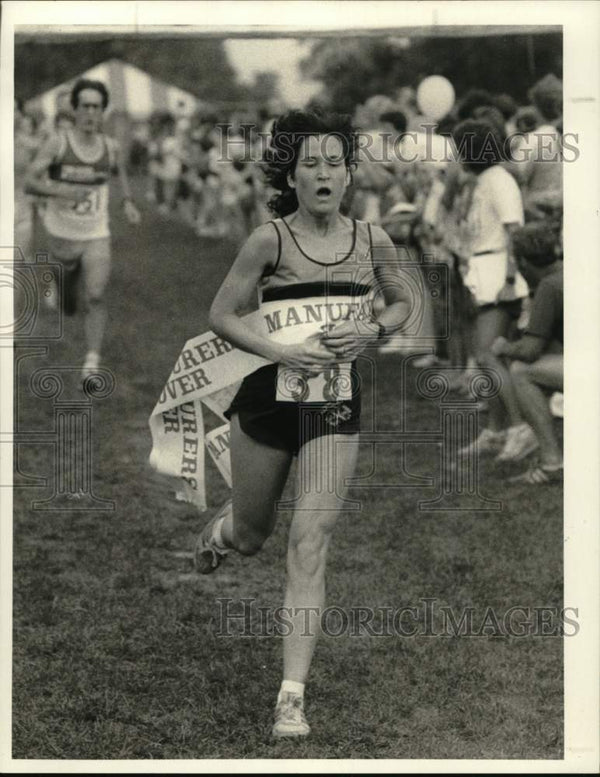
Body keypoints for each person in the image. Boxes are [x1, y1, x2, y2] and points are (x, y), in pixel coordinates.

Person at [193, 109, 410, 738]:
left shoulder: (373, 240)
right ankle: (225, 528)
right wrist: (280, 351)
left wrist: (371, 329)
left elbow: (402, 302)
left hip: (333, 405)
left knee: (309, 543)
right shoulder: (269, 241)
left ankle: (291, 697)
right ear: (292, 174)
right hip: (268, 399)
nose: (323, 173)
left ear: (349, 175)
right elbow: (220, 314)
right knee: (253, 536)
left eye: (334, 163)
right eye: (310, 162)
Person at [25, 78, 140, 379]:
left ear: (103, 111)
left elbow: (120, 172)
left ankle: (92, 360)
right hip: (61, 234)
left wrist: (128, 201)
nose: (91, 113)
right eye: (85, 106)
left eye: (97, 107)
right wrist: (61, 191)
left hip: (96, 233)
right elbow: (29, 181)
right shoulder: (59, 143)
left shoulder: (110, 147)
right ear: (75, 110)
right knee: (69, 306)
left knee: (96, 295)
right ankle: (59, 279)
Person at [451, 118, 537, 462]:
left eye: (459, 149)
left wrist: (510, 280)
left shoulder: (499, 180)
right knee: (488, 355)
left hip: (499, 274)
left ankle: (520, 429)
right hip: (482, 271)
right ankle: (496, 430)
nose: (455, 157)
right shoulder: (483, 181)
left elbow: (515, 232)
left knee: (488, 355)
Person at [491, 222, 563, 483]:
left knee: (522, 371)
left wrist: (504, 347)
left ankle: (552, 463)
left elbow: (530, 350)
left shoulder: (550, 285)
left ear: (521, 262)